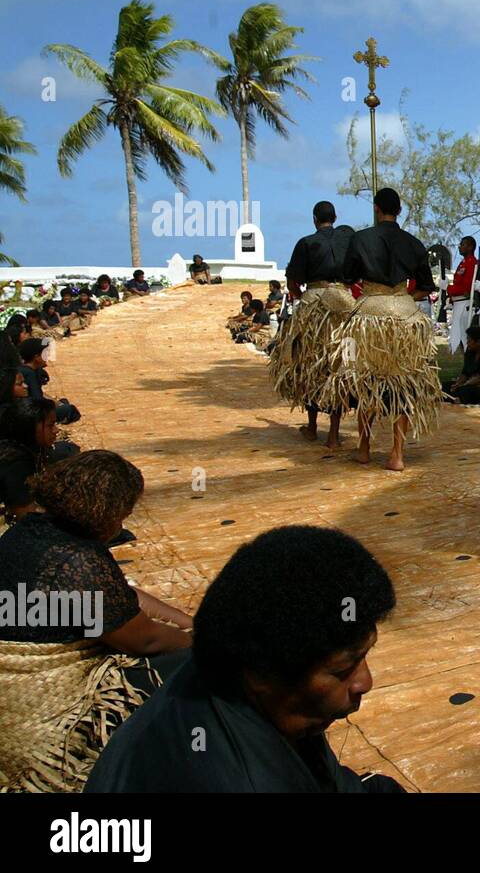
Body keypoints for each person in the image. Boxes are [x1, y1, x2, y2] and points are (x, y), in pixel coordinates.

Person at [85, 525, 403, 793]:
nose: (365, 682)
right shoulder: (237, 778)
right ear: (262, 674)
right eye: (343, 669)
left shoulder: (227, 679)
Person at [0, 451, 192, 792]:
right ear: (107, 511)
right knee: (194, 667)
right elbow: (145, 640)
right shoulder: (78, 559)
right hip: (45, 712)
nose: (121, 525)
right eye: (123, 515)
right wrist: (200, 640)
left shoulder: (27, 532)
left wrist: (185, 620)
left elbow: (122, 597)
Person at [327, 187, 441, 471]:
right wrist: (401, 298)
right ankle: (397, 455)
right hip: (405, 319)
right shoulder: (414, 244)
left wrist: (369, 297)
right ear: (399, 210)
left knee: (368, 381)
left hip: (369, 318)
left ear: (376, 208)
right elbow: (426, 287)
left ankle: (364, 448)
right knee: (403, 385)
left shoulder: (360, 239)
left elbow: (346, 278)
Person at [272, 200, 356, 449]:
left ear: (314, 219)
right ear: (336, 217)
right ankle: (333, 434)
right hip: (344, 303)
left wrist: (302, 297)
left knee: (308, 366)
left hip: (313, 304)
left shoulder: (306, 243)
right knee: (340, 367)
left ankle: (311, 427)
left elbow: (292, 281)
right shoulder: (348, 240)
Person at [18, 338, 80, 425]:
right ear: (37, 357)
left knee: (63, 402)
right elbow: (38, 400)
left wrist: (57, 403)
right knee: (70, 410)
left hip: (31, 408)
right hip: (33, 413)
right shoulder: (29, 373)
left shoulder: (29, 369)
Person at [442, 235, 480, 354]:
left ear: (470, 247)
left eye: (463, 244)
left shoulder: (472, 263)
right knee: (461, 338)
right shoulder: (463, 263)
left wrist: (448, 288)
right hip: (458, 303)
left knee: (466, 338)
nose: (460, 247)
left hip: (465, 302)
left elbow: (466, 287)